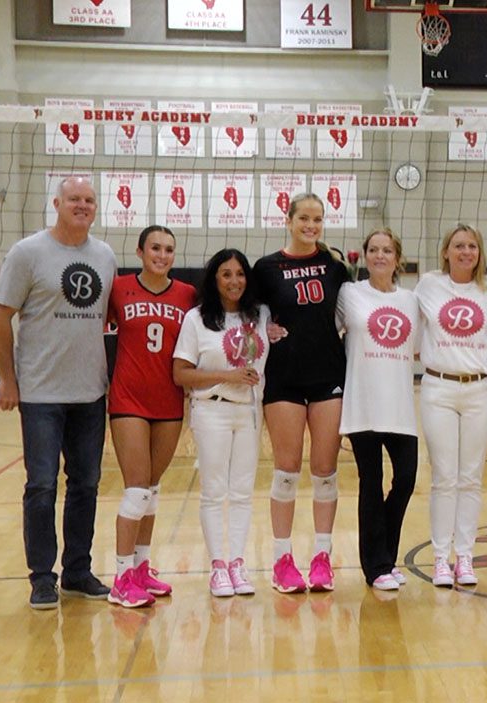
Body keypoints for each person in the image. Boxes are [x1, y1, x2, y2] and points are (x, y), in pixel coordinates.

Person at [0, 176, 118, 610]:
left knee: (86, 484)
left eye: (89, 200)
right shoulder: (27, 253)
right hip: (41, 393)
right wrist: (7, 380)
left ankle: (77, 572)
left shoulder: (104, 256)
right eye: (74, 199)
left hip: (90, 392)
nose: (82, 206)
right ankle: (42, 577)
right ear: (57, 203)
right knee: (41, 486)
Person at [251, 193, 352, 593]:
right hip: (284, 378)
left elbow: (351, 312)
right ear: (289, 220)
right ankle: (282, 559)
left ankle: (322, 557)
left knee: (325, 471)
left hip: (328, 374)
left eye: (318, 219)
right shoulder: (266, 268)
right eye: (304, 218)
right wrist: (264, 331)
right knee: (287, 470)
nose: (311, 226)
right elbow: (248, 318)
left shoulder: (335, 267)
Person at [106, 225, 196, 608]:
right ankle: (121, 575)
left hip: (169, 401)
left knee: (153, 489)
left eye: (169, 249)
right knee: (137, 487)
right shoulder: (118, 287)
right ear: (140, 251)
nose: (162, 255)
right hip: (128, 400)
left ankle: (142, 567)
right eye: (155, 248)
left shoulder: (187, 295)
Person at [172, 249, 271, 597]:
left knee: (243, 492)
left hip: (249, 412)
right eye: (226, 274)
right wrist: (225, 375)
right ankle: (217, 567)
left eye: (240, 273)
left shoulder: (259, 316)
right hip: (211, 409)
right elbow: (180, 373)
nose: (234, 281)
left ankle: (238, 564)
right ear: (215, 278)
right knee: (214, 492)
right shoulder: (197, 319)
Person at [416, 224, 487, 588]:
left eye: (472, 245)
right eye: (458, 246)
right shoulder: (429, 284)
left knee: (471, 477)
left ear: (480, 252)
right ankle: (440, 558)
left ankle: (464, 557)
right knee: (444, 477)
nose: (466, 251)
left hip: (480, 388)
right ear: (446, 252)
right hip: (438, 386)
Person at [338, 229, 421, 591]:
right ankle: (376, 567)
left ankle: (385, 555)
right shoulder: (349, 294)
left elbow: (418, 348)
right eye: (373, 250)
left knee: (405, 480)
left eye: (387, 250)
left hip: (401, 405)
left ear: (397, 258)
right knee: (369, 485)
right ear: (365, 256)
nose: (379, 256)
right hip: (363, 404)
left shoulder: (411, 300)